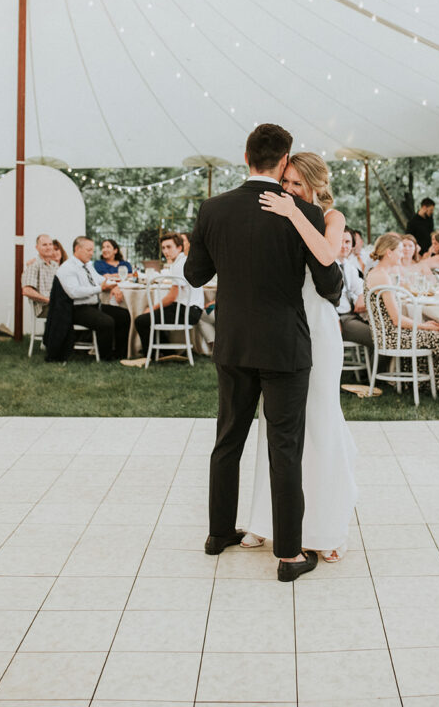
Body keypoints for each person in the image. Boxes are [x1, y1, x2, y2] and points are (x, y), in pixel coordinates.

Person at [184, 124, 342, 582]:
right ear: (285, 157)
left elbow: (195, 275)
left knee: (227, 439)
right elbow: (331, 284)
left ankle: (218, 534)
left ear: (246, 156)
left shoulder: (214, 209)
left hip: (232, 341)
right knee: (284, 447)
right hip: (284, 345)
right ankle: (290, 556)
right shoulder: (304, 214)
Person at [243, 152, 357, 561]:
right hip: (281, 325)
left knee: (319, 421)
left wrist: (294, 213)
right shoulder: (276, 210)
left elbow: (327, 257)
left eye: (296, 183)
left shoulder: (332, 217)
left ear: (314, 185)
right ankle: (264, 519)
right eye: (285, 182)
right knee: (275, 422)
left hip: (319, 328)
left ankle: (325, 527)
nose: (287, 189)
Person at [365, 233, 439, 394]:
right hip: (393, 336)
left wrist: (424, 327)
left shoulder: (379, 272)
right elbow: (396, 320)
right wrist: (425, 326)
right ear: (389, 252)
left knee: (437, 335)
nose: (402, 255)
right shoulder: (382, 276)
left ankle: (424, 384)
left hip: (389, 333)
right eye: (400, 251)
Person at [131, 233, 203, 360]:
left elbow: (171, 297)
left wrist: (152, 308)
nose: (165, 251)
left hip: (187, 311)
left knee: (141, 320)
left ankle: (152, 355)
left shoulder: (180, 265)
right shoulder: (182, 262)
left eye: (169, 247)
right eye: (163, 248)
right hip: (190, 309)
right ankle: (165, 351)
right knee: (150, 317)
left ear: (179, 248)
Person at [56, 236, 130, 360]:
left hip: (93, 305)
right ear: (77, 249)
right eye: (88, 250)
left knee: (124, 315)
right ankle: (106, 357)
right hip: (76, 309)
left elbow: (101, 279)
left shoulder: (88, 265)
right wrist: (100, 288)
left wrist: (114, 286)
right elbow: (74, 292)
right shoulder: (67, 268)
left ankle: (121, 354)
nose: (92, 253)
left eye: (92, 250)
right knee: (106, 322)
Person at [336, 228, 373, 351]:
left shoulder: (348, 266)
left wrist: (361, 297)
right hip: (340, 320)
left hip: (352, 315)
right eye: (340, 241)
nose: (344, 246)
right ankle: (373, 370)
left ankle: (370, 370)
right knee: (379, 337)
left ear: (352, 245)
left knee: (382, 331)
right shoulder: (329, 266)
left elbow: (361, 286)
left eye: (347, 242)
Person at [22, 234, 58, 319]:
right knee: (69, 312)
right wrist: (48, 300)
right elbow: (26, 291)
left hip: (59, 303)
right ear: (37, 247)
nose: (48, 247)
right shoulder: (34, 265)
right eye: (44, 245)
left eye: (50, 244)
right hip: (44, 307)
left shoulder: (55, 265)